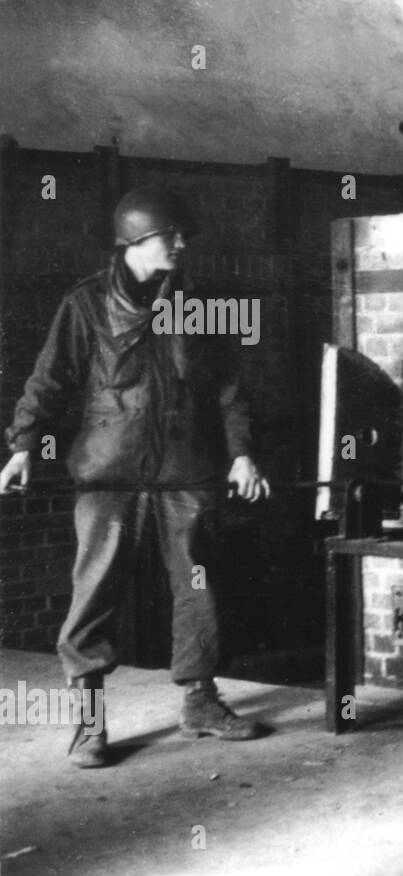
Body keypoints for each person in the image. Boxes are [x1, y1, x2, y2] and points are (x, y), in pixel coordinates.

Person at [0, 186, 272, 768]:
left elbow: (230, 389)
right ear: (136, 241)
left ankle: (199, 702)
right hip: (108, 475)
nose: (181, 243)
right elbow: (49, 379)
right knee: (94, 594)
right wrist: (24, 446)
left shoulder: (198, 303)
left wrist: (242, 454)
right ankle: (89, 725)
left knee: (196, 587)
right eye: (170, 235)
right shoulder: (85, 305)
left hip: (185, 471)